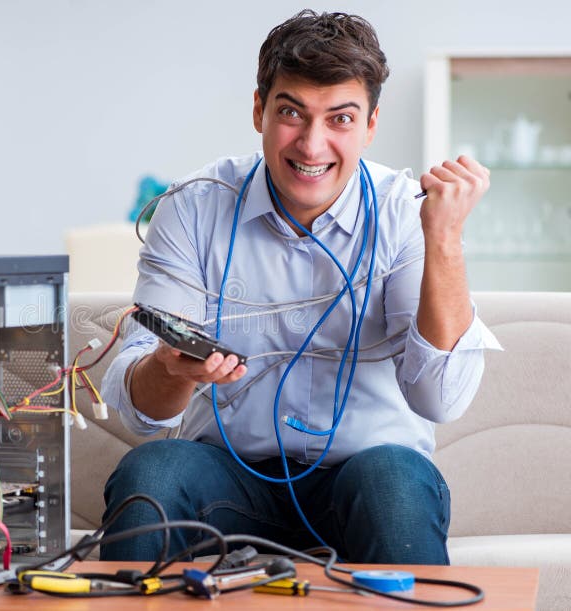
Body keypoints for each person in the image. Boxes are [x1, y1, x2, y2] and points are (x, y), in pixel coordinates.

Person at [99, 9, 500, 565]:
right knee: (152, 473)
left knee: (394, 481)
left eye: (340, 119)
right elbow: (142, 416)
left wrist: (446, 240)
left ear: (371, 125)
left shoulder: (404, 214)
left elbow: (442, 399)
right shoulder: (193, 207)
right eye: (291, 113)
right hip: (229, 477)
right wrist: (172, 369)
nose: (312, 146)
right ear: (259, 110)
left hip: (366, 480)